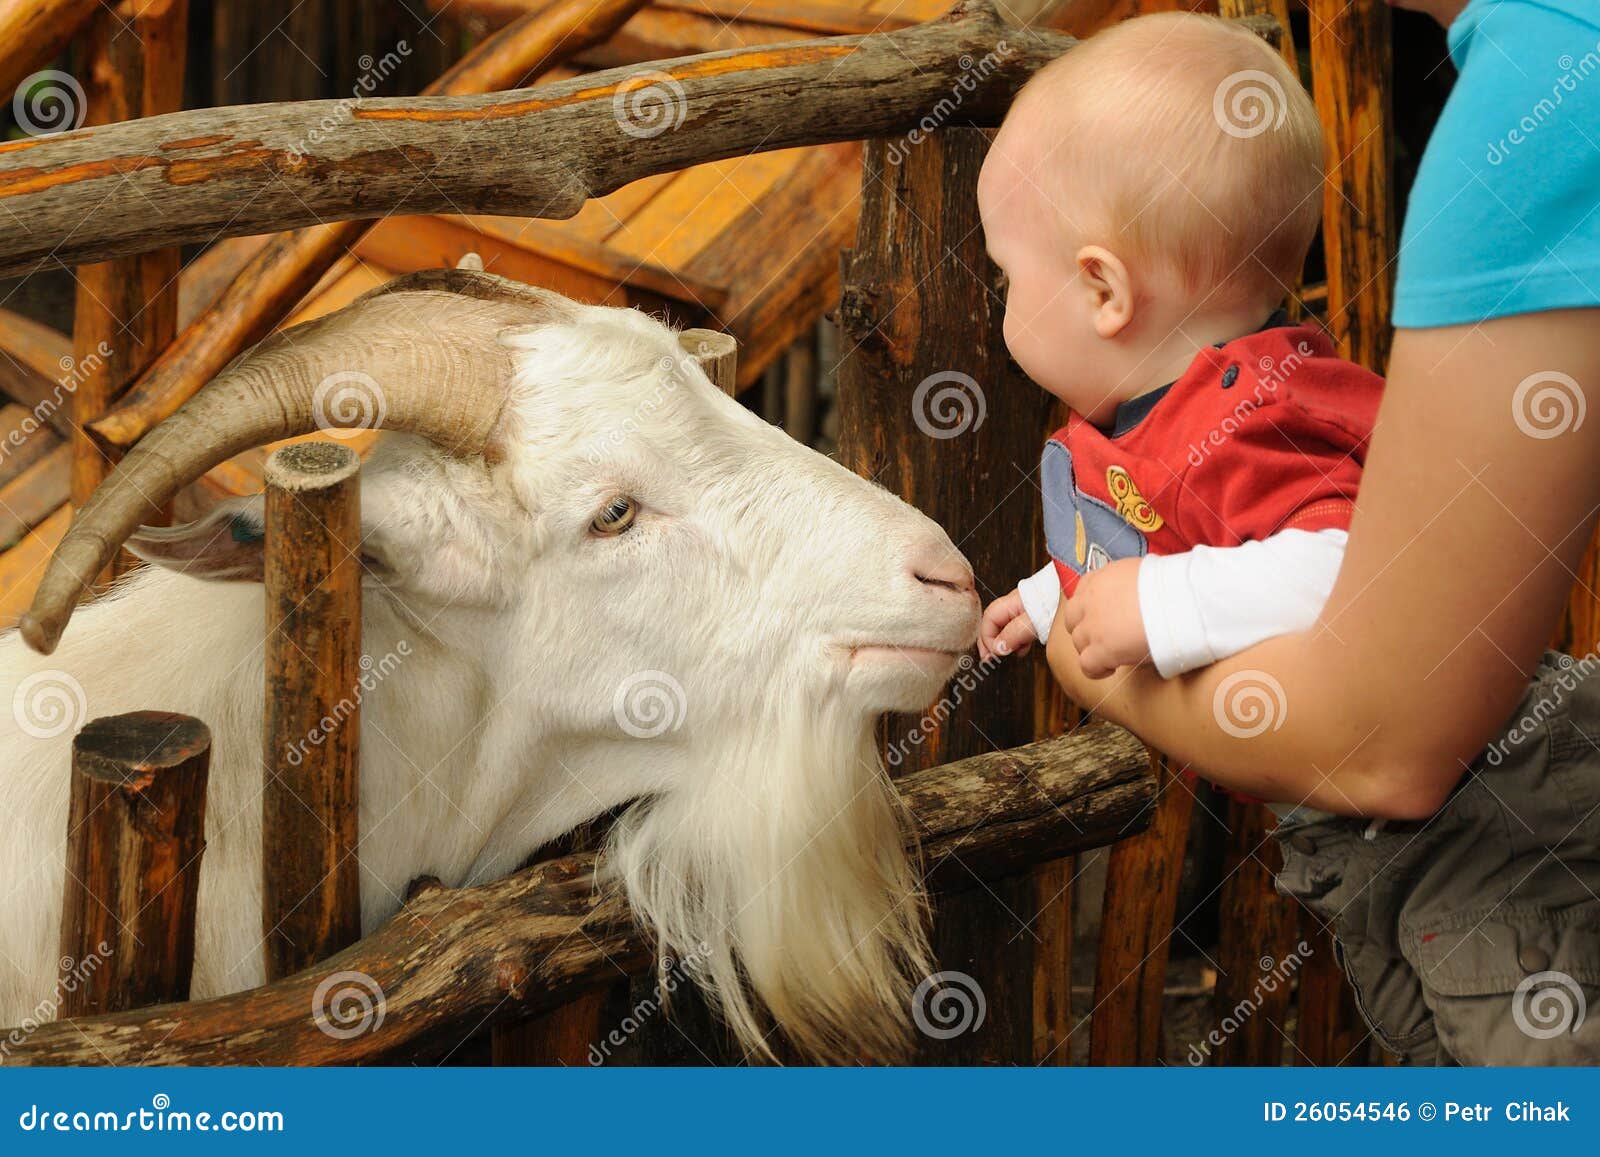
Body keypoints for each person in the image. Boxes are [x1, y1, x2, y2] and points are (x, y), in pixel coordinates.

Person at [978, 6, 1600, 1063]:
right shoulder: (1160, 419)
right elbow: (1161, 542)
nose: (1001, 303)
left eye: (1006, 276)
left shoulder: (1250, 417)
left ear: (1101, 287)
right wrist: (1052, 597)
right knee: (1428, 1052)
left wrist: (1151, 611)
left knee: (1528, 1061)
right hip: (1386, 848)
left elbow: (1334, 566)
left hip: (1482, 823)